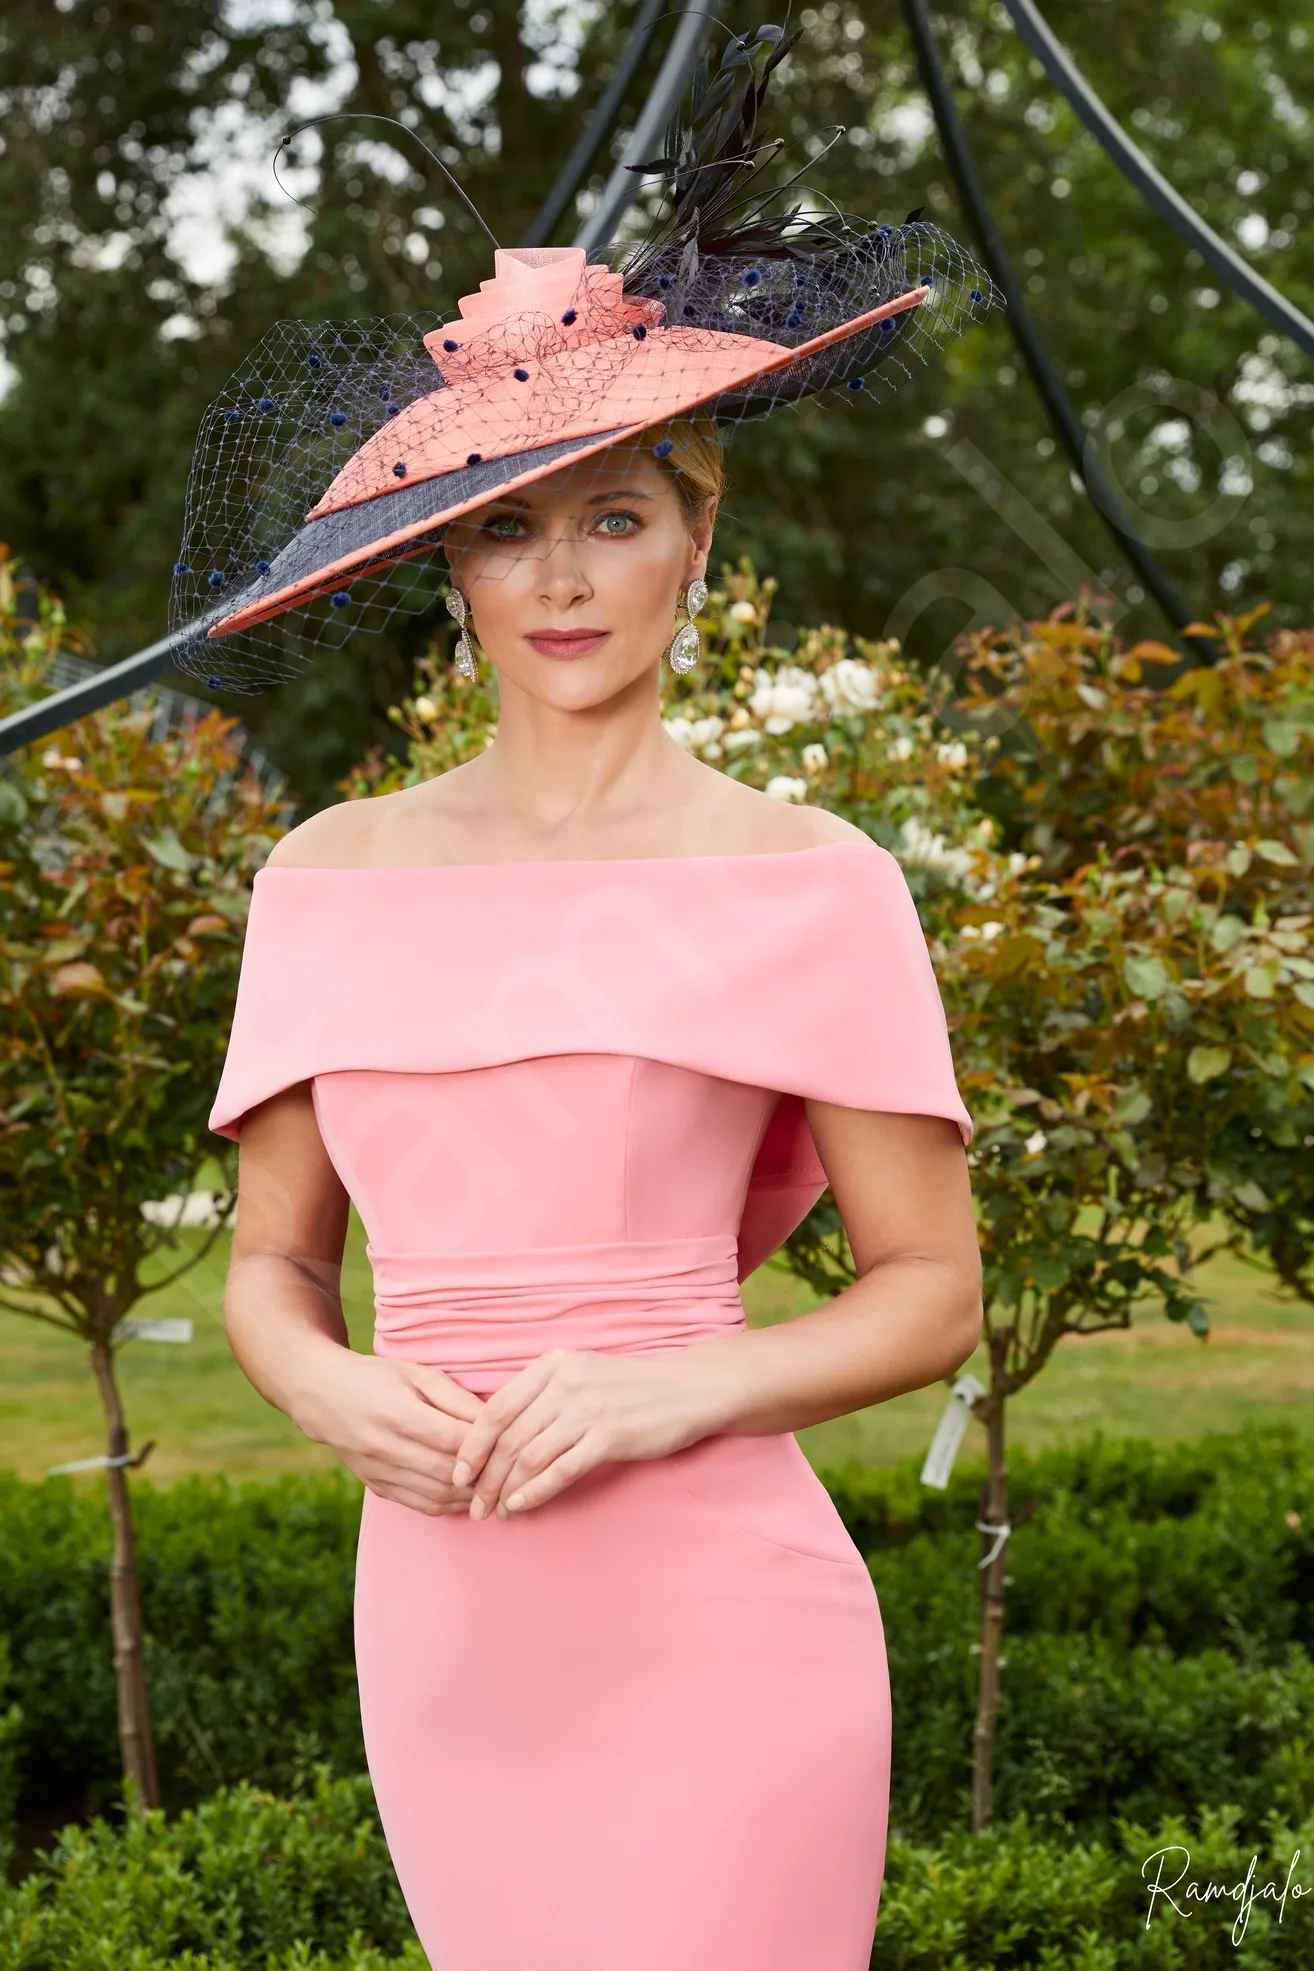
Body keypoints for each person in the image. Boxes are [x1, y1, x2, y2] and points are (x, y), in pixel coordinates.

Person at [197, 29, 995, 1967]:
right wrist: (328, 1392)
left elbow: (933, 1286)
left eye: (618, 517)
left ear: (699, 542)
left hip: (725, 1612)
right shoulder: (327, 882)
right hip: (451, 1612)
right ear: (449, 567)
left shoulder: (812, 881)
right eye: (507, 528)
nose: (563, 578)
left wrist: (668, 1387)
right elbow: (270, 1267)